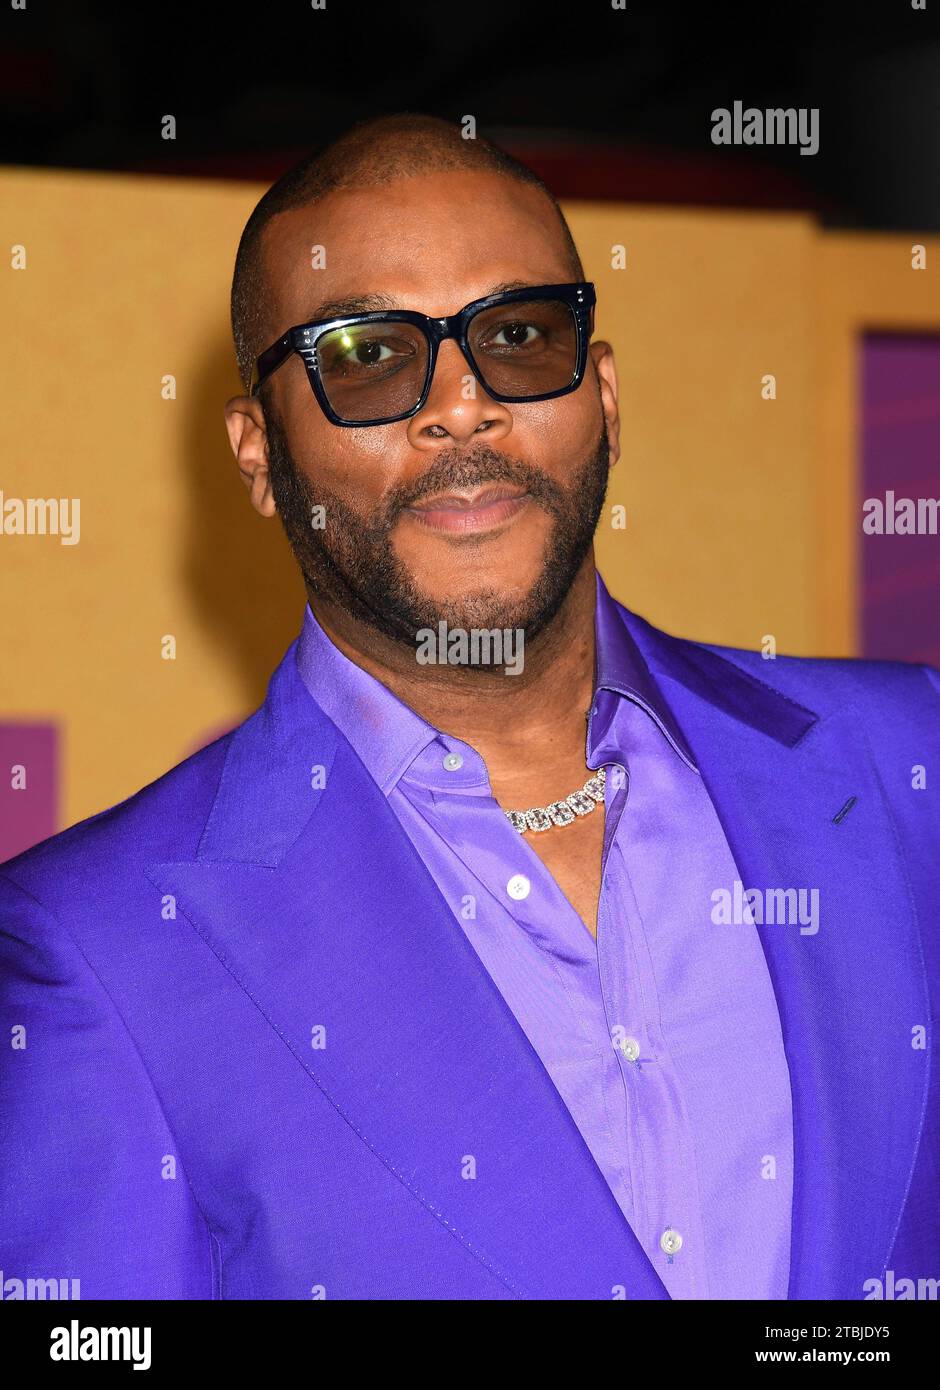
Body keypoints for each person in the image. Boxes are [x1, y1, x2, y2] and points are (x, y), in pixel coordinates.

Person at [1, 114, 937, 1302]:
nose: (460, 406)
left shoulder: (909, 765)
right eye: (367, 357)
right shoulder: (100, 953)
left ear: (601, 391)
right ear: (255, 453)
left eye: (518, 334)